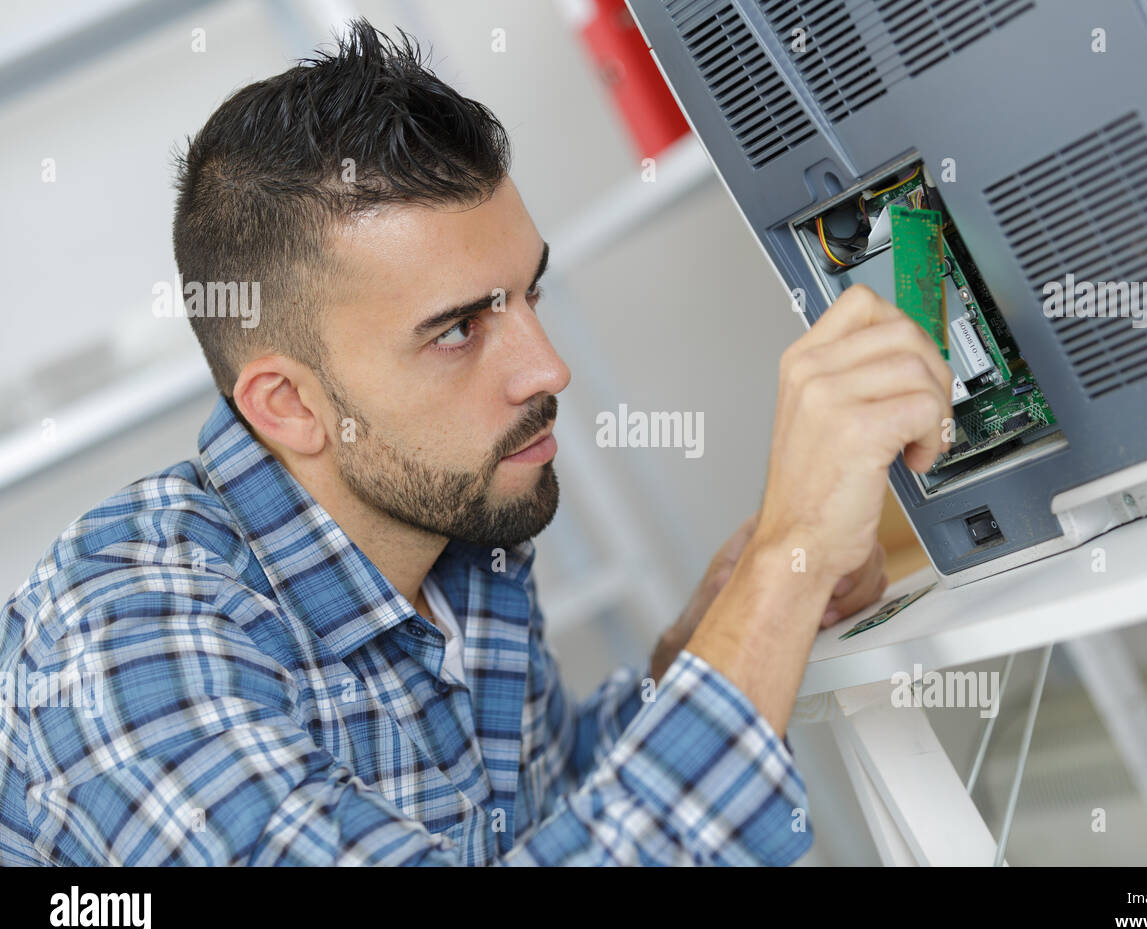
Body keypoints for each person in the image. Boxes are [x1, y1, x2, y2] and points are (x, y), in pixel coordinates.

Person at [0, 20, 951, 866]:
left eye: (528, 293)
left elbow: (539, 820)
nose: (547, 370)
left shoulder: (451, 525)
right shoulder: (130, 650)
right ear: (288, 406)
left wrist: (710, 639)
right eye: (458, 330)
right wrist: (779, 581)